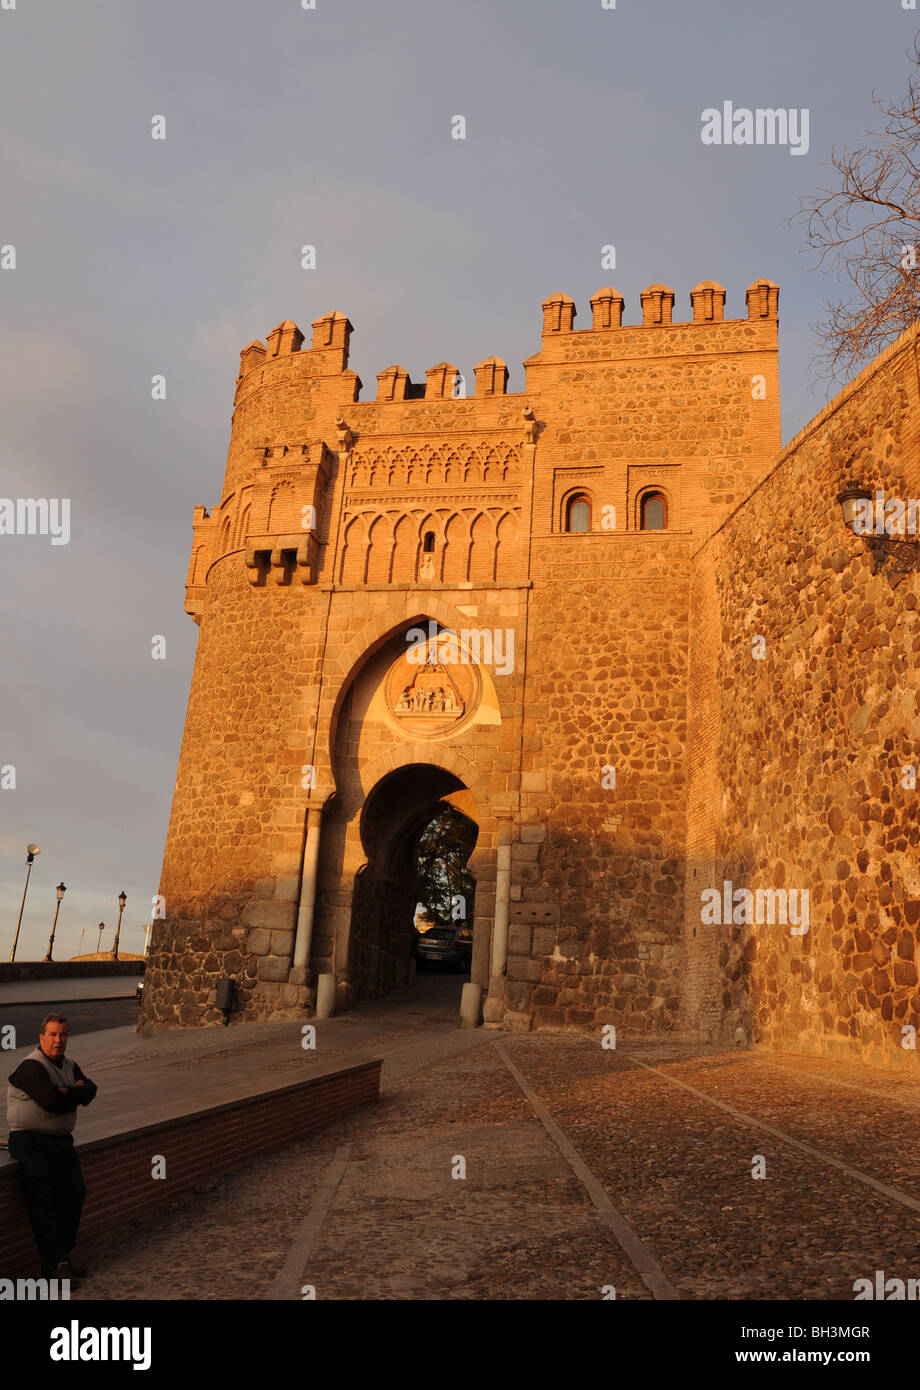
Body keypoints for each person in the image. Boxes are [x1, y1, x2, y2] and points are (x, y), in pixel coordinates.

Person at [6, 1013, 97, 1284]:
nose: (58, 1040)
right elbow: (50, 1101)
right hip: (31, 1142)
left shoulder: (70, 1065)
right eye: (53, 1034)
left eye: (63, 1034)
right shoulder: (30, 1067)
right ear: (41, 1037)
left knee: (75, 1192)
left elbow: (90, 1092)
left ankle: (62, 1257)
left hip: (60, 1143)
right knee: (42, 1201)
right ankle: (54, 1264)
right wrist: (72, 1094)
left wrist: (66, 1091)